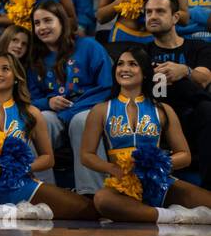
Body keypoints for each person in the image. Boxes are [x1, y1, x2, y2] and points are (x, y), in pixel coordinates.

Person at [0, 52, 98, 221]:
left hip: (24, 188)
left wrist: (21, 167)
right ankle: (16, 213)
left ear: (16, 77)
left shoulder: (31, 112)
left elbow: (48, 158)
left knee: (89, 210)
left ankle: (0, 212)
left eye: (5, 69)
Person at [83, 48, 211, 224]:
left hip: (160, 182)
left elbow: (185, 155)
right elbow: (86, 155)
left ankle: (152, 213)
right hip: (123, 186)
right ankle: (172, 217)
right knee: (102, 200)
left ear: (144, 73)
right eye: (120, 64)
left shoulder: (163, 110)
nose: (124, 68)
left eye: (132, 64)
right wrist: (112, 169)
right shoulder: (100, 110)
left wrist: (157, 165)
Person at [25, 0, 112, 191]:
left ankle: (91, 194)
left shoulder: (89, 46)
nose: (42, 27)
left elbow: (107, 86)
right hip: (56, 113)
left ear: (62, 22)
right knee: (38, 120)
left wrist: (72, 110)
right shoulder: (34, 58)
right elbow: (30, 99)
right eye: (37, 23)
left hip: (88, 109)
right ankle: (44, 191)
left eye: (48, 20)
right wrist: (48, 102)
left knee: (82, 121)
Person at [142, 0, 211, 189]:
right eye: (148, 12)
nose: (152, 16)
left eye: (160, 11)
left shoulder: (198, 47)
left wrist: (184, 71)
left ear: (175, 17)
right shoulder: (141, 54)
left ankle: (208, 191)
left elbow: (205, 78)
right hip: (156, 115)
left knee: (207, 108)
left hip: (191, 116)